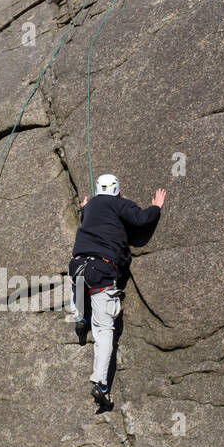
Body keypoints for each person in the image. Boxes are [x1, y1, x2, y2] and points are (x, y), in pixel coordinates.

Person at [68, 173, 166, 411]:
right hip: (102, 270)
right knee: (104, 330)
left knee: (78, 282)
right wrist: (155, 207)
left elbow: (89, 215)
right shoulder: (119, 203)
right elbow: (141, 219)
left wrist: (84, 207)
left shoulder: (90, 206)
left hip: (78, 264)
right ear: (118, 192)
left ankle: (79, 315)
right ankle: (100, 384)